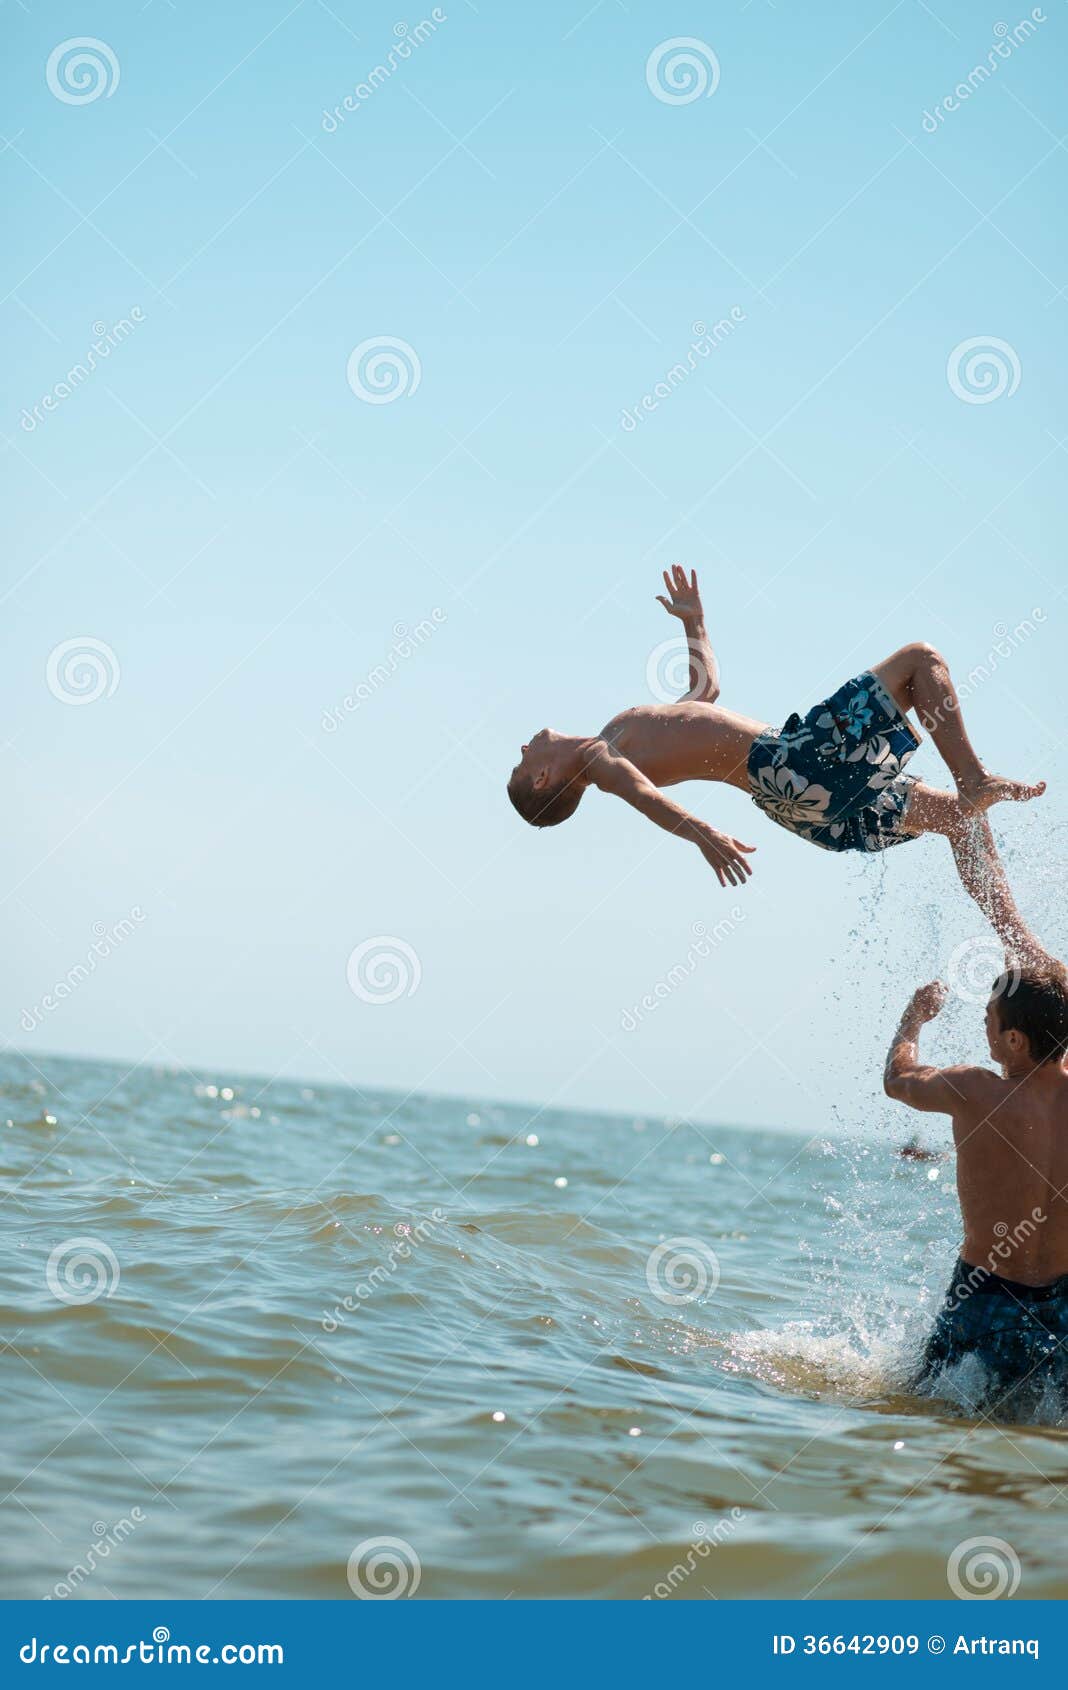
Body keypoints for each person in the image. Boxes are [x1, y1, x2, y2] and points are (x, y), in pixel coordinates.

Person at [507, 568, 1045, 929]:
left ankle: (1018, 942)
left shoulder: (618, 737)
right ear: (542, 779)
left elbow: (702, 697)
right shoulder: (599, 758)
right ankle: (973, 777)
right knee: (920, 660)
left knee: (959, 821)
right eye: (521, 762)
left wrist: (695, 624)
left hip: (795, 803)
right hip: (790, 764)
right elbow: (642, 796)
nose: (524, 747)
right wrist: (704, 835)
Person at [884, 964, 1068, 1417]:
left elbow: (898, 1079)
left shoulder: (972, 1090)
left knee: (932, 1414)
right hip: (1063, 1304)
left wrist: (914, 1017)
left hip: (984, 1296)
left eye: (989, 1017)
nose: (983, 1024)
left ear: (1014, 1040)